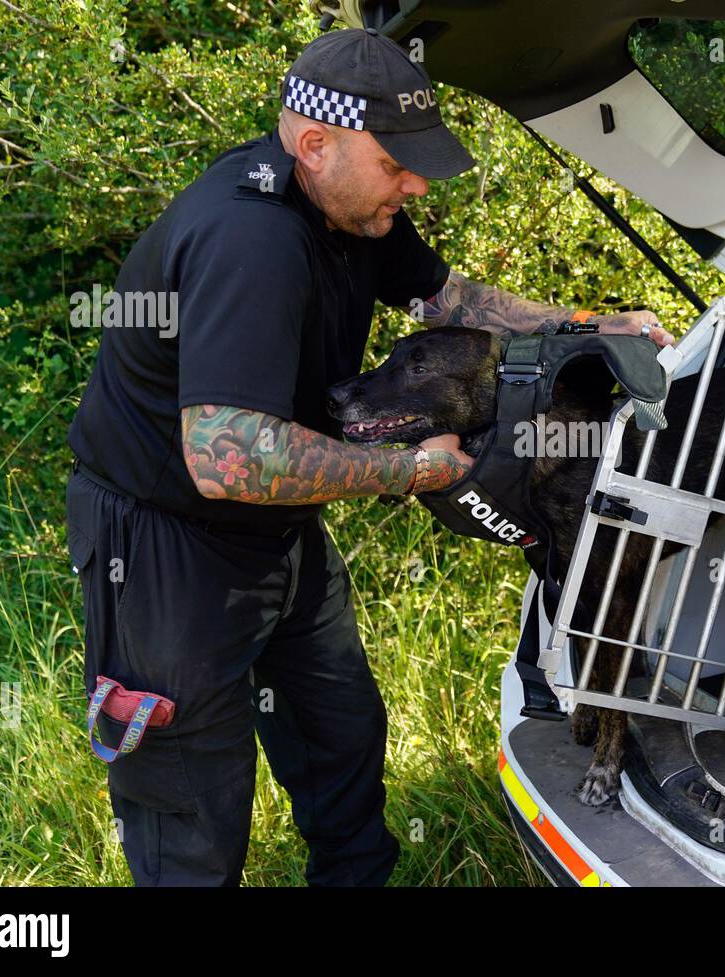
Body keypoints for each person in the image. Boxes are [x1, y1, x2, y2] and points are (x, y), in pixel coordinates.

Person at [65, 26, 672, 886]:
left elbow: (449, 300)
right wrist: (412, 469)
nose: (415, 183)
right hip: (169, 550)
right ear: (315, 144)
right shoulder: (252, 240)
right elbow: (227, 459)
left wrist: (593, 327)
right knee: (190, 813)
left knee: (342, 739)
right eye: (398, 164)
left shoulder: (353, 206)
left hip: (280, 531)